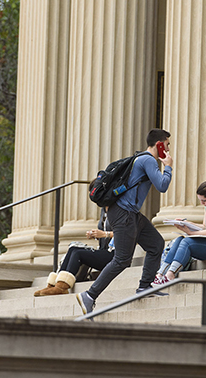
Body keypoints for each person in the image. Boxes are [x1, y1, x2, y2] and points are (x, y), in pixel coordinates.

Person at [75, 129, 174, 315]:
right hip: (123, 214)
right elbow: (162, 186)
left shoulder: (142, 159)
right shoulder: (147, 160)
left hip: (131, 214)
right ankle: (90, 295)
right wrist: (168, 166)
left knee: (156, 244)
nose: (168, 149)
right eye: (167, 144)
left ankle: (145, 286)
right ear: (159, 144)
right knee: (122, 259)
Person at [34, 209, 115, 296]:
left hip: (115, 255)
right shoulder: (103, 211)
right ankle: (53, 284)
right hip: (103, 251)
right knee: (73, 249)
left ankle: (62, 287)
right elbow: (105, 236)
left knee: (78, 253)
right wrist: (95, 236)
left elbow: (126, 233)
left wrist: (104, 234)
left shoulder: (120, 211)